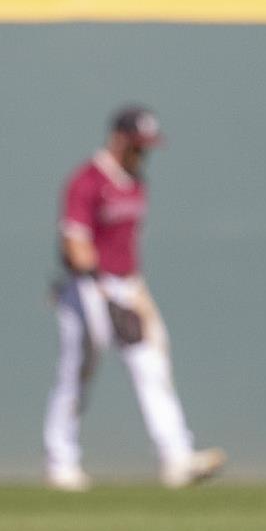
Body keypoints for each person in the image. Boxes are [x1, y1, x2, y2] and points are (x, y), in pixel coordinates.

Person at [42, 105, 224, 491]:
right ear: (120, 139)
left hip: (128, 285)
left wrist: (132, 291)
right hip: (88, 288)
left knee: (153, 367)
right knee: (77, 374)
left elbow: (126, 244)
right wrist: (103, 290)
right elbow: (74, 243)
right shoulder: (88, 180)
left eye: (148, 147)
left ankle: (177, 459)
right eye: (139, 145)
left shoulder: (137, 181)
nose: (145, 153)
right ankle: (61, 462)